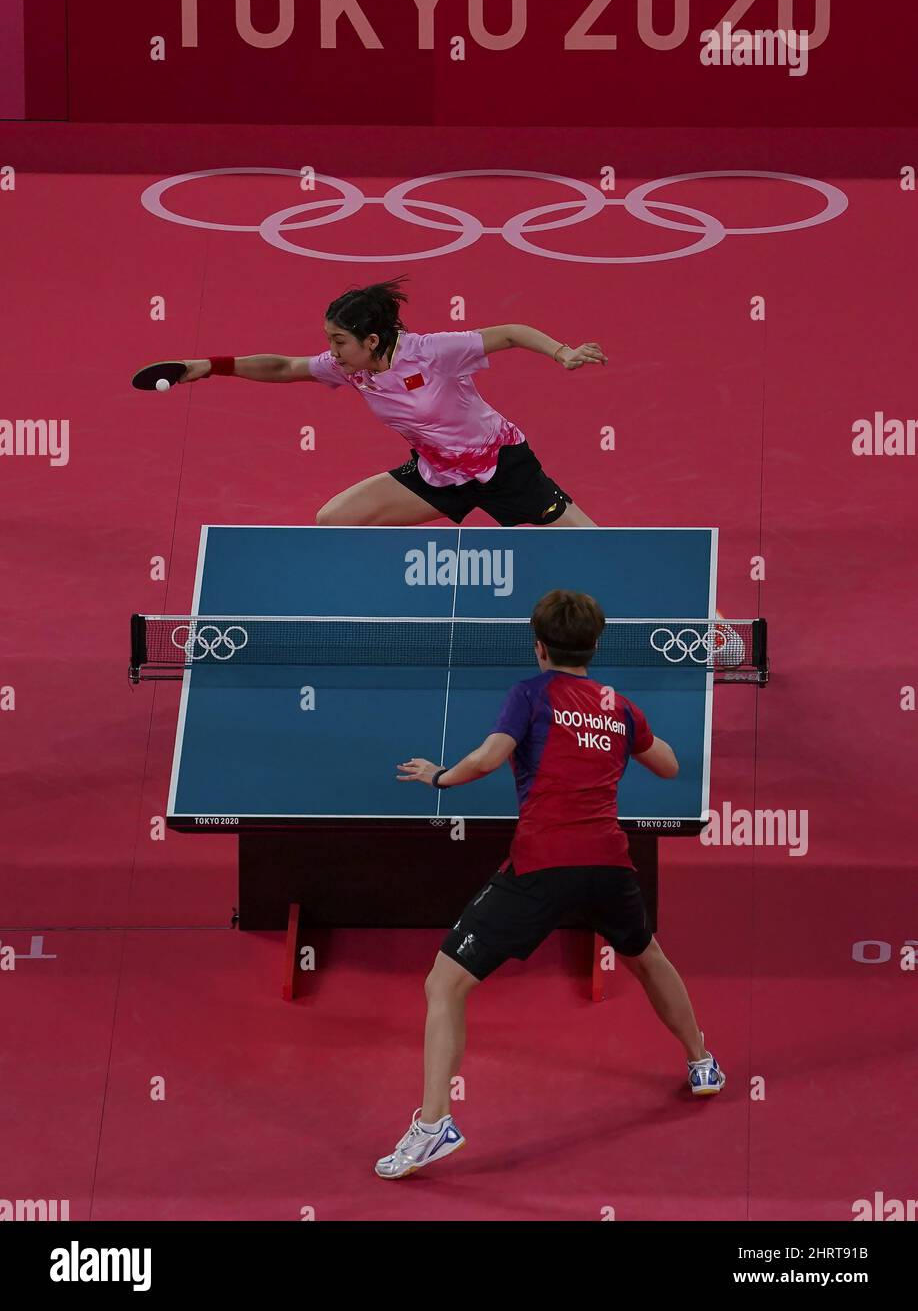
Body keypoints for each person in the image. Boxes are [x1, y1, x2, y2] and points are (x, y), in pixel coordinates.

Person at [377, 589, 725, 1179]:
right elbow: (668, 765)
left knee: (445, 984)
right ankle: (702, 1062)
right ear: (595, 645)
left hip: (541, 867)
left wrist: (440, 777)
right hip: (609, 866)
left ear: (539, 646)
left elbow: (489, 757)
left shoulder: (531, 694)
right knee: (647, 957)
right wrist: (623, 731)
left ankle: (435, 1123)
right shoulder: (619, 705)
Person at [165, 276, 605, 527]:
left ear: (371, 340)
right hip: (438, 474)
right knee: (333, 520)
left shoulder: (432, 351)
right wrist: (210, 365)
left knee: (595, 547)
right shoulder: (349, 367)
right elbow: (284, 367)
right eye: (329, 340)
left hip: (501, 464)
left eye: (339, 341)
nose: (332, 350)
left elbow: (510, 332)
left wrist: (562, 351)